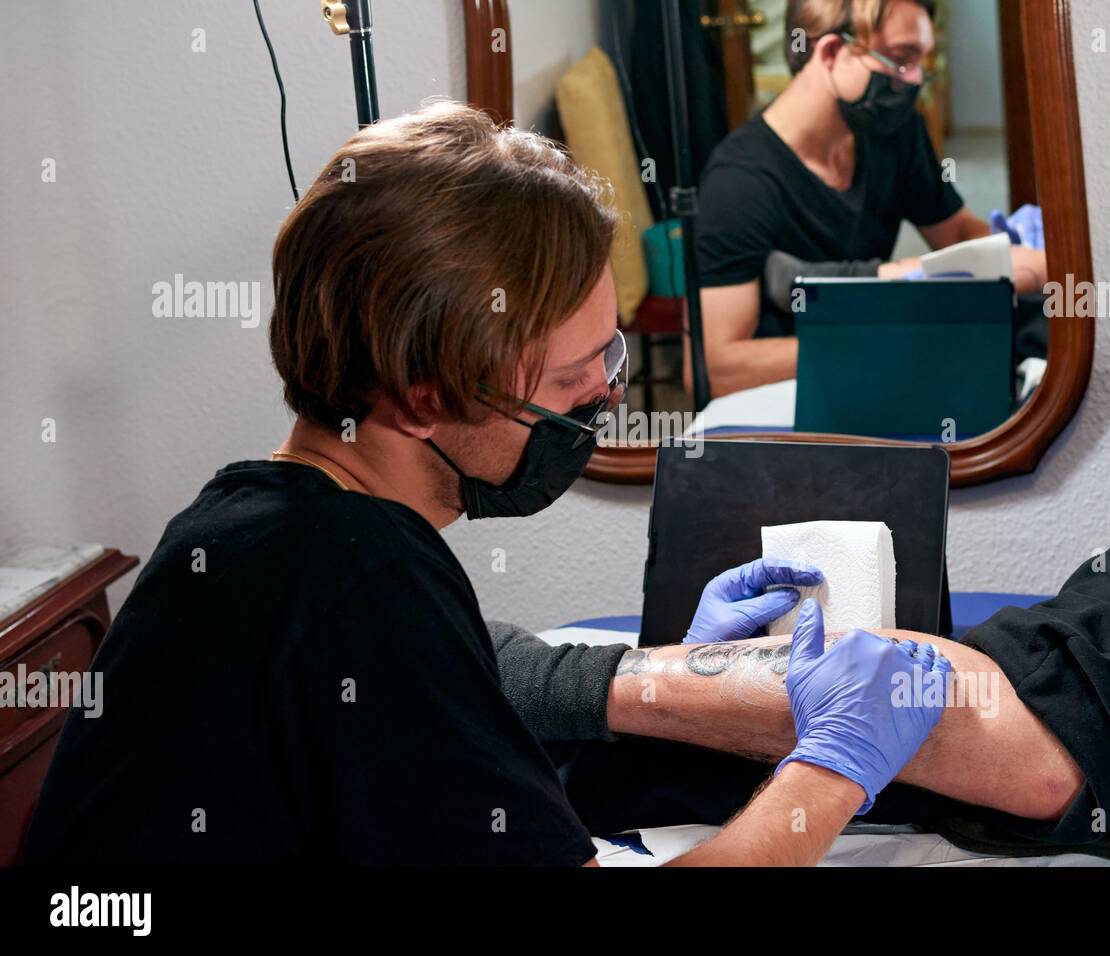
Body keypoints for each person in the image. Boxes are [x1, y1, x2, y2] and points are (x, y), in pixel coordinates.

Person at [19, 101, 951, 867]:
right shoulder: (361, 581)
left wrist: (653, 684)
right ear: (426, 397)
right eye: (569, 379)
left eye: (611, 352)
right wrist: (830, 771)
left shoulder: (250, 520)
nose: (605, 395)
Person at [493, 407, 1110, 865]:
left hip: (577, 756)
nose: (597, 389)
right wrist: (829, 772)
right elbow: (1033, 742)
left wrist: (588, 686)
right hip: (1062, 741)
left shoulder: (404, 609)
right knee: (1076, 723)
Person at [692, 0, 1048, 397]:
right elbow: (713, 368)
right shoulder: (738, 184)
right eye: (901, 59)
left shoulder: (894, 131)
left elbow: (957, 228)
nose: (914, 80)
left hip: (884, 374)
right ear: (829, 52)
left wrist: (1016, 253)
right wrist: (883, 332)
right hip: (797, 395)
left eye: (921, 62)